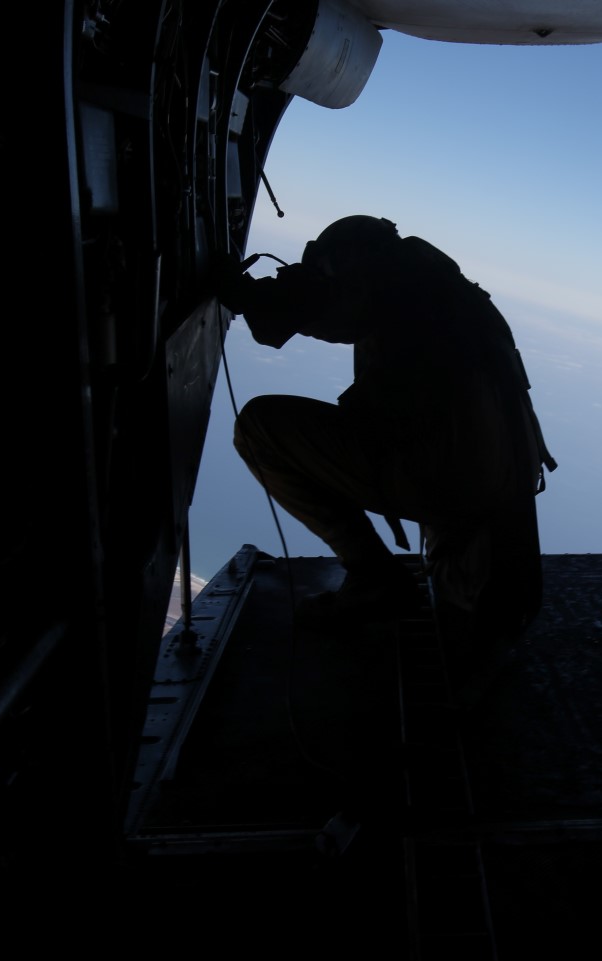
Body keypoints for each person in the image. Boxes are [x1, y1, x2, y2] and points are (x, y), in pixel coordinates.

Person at [218, 216, 556, 645]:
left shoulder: (398, 277)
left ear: (351, 259)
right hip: (494, 482)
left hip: (452, 475)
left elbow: (335, 312)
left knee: (258, 428)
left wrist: (247, 294)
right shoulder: (447, 291)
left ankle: (373, 577)